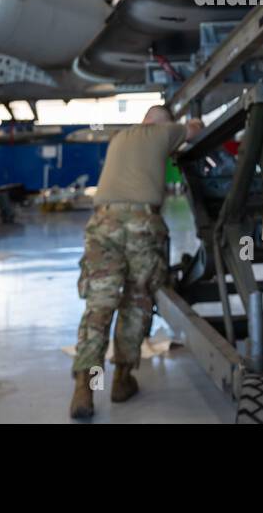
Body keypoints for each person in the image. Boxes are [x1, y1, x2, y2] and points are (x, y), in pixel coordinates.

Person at [70, 104, 202, 421]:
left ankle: (84, 388)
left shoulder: (119, 137)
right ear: (162, 122)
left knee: (99, 302)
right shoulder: (163, 131)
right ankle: (121, 379)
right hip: (142, 223)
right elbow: (195, 129)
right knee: (136, 298)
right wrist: (191, 122)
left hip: (103, 223)